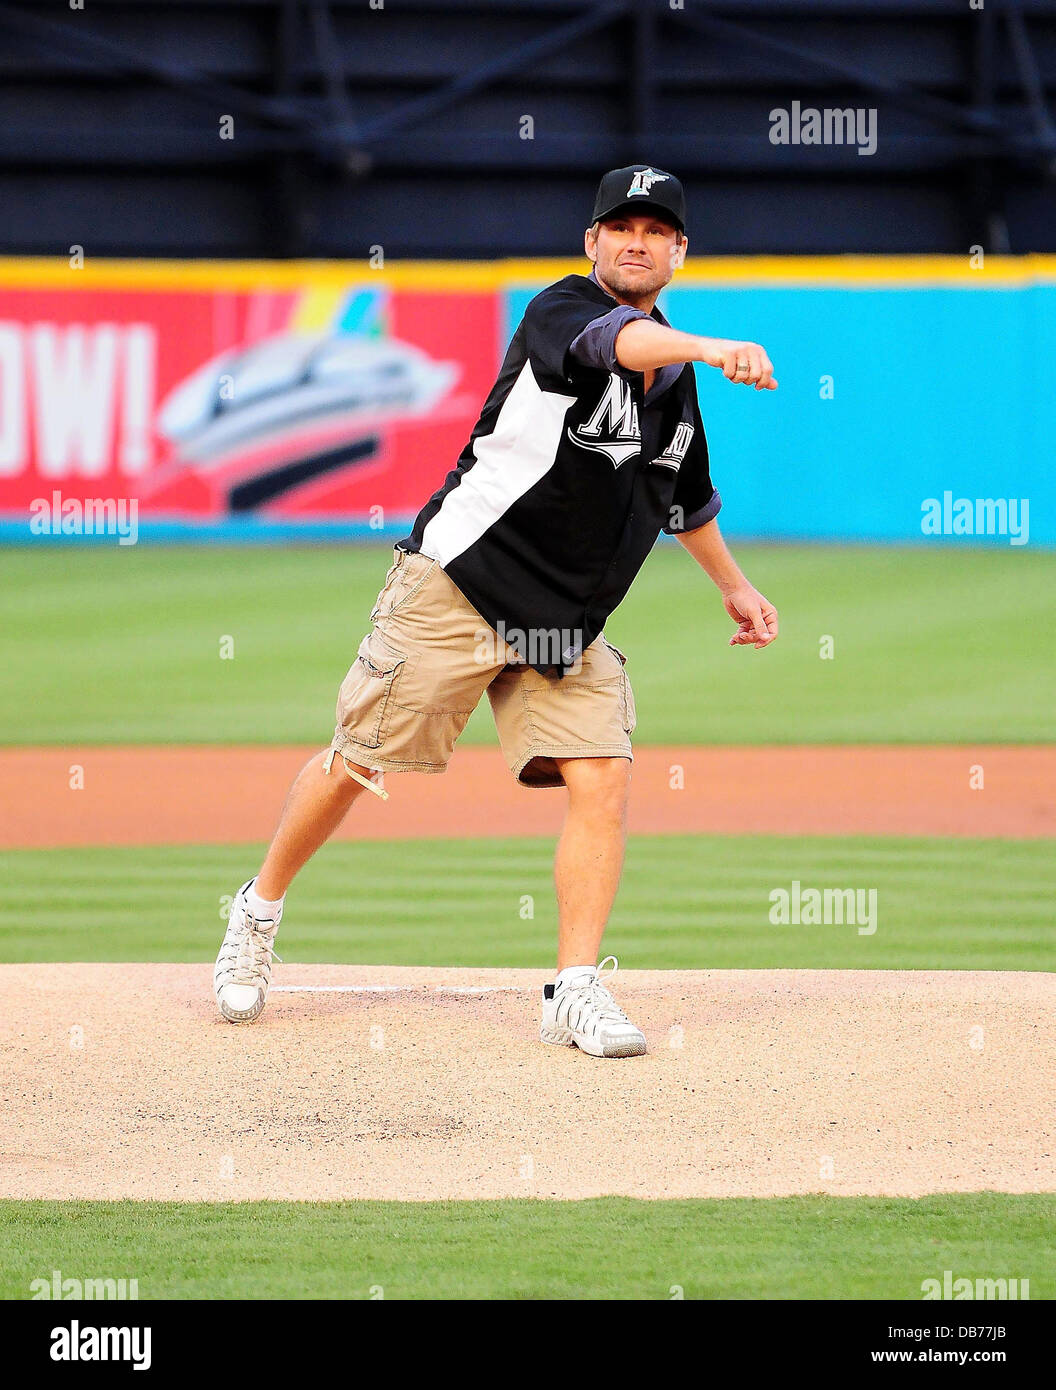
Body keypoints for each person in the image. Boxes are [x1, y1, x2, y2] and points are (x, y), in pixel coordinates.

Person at [214, 164, 779, 1058]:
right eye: (620, 226)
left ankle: (575, 990)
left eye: (656, 229)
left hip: (565, 621)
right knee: (358, 761)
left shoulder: (675, 380)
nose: (637, 240)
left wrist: (733, 585)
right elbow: (616, 346)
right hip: (461, 585)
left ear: (679, 251)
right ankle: (258, 909)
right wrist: (709, 346)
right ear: (592, 242)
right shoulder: (565, 312)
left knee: (603, 776)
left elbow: (684, 496)